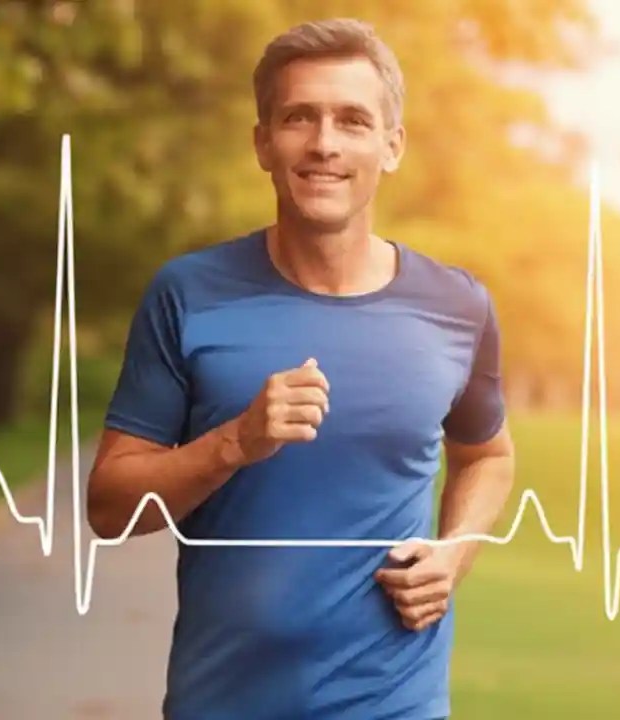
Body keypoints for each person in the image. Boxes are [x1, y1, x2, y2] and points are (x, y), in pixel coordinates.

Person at [87, 17, 516, 720]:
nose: (324, 143)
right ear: (263, 142)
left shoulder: (456, 305)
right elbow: (107, 507)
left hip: (395, 704)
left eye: (352, 120)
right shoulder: (188, 294)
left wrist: (454, 552)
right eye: (298, 118)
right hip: (221, 703)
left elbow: (489, 455)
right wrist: (235, 442)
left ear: (392, 144)